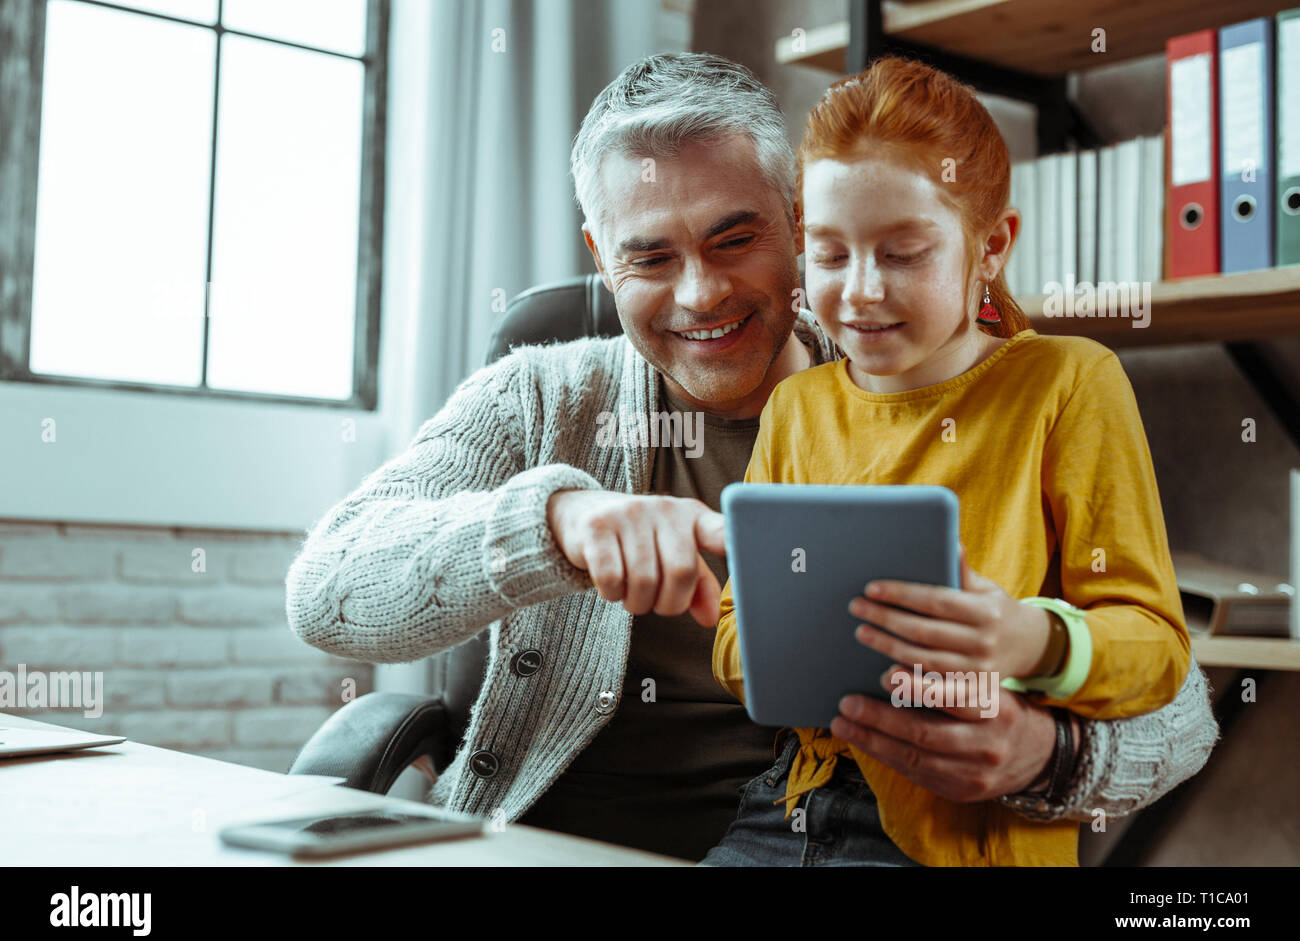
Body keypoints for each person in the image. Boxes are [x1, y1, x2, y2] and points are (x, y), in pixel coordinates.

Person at [285, 52, 1218, 863]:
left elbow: (1179, 706)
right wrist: (554, 523)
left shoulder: (958, 383)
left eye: (737, 237)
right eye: (648, 257)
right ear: (600, 257)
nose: (699, 293)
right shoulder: (542, 397)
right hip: (555, 841)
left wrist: (1051, 755)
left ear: (793, 215)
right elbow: (326, 588)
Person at [705, 57, 1191, 867]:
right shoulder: (797, 406)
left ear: (991, 244)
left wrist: (1031, 641)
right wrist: (783, 648)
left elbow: (1156, 646)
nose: (859, 292)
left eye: (902, 254)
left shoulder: (1068, 383)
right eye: (829, 255)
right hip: (790, 811)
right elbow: (730, 635)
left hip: (967, 834)